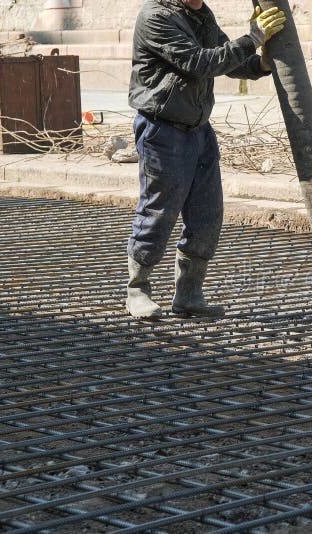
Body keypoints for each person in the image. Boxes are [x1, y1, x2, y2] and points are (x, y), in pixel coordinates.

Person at [125, 0, 285, 320]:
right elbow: (200, 62)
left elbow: (228, 58)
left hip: (198, 130)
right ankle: (138, 289)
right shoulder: (156, 16)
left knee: (207, 214)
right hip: (162, 129)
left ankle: (188, 294)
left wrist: (262, 63)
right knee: (159, 210)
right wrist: (253, 37)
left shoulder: (201, 14)